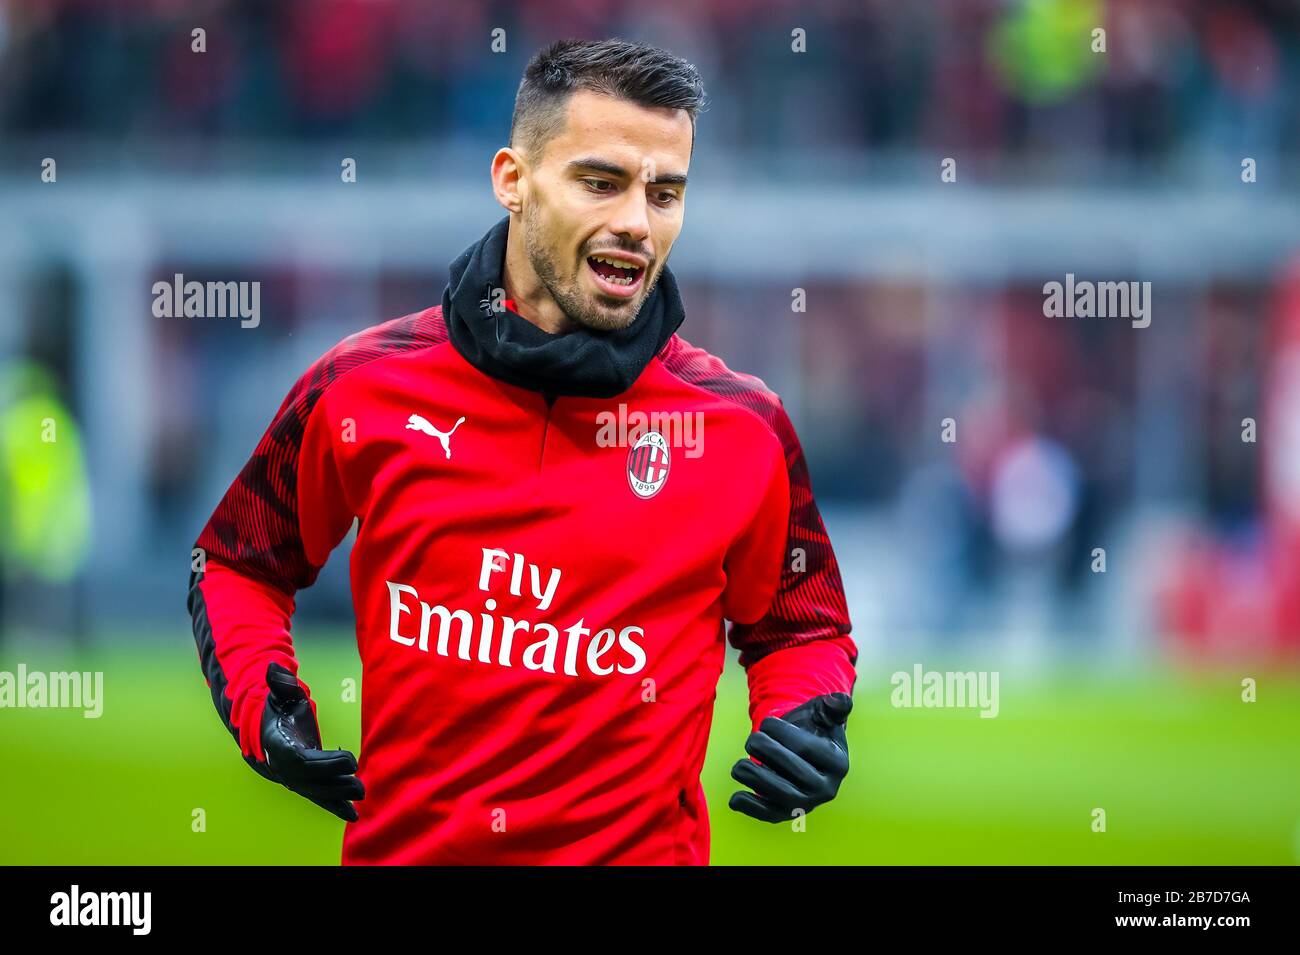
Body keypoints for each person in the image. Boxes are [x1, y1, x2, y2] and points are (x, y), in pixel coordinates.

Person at [187, 37, 857, 865]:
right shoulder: (360, 387)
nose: (635, 223)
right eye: (601, 182)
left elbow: (801, 625)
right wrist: (261, 700)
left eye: (665, 193)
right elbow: (240, 562)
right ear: (513, 179)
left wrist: (804, 712)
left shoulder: (743, 428)